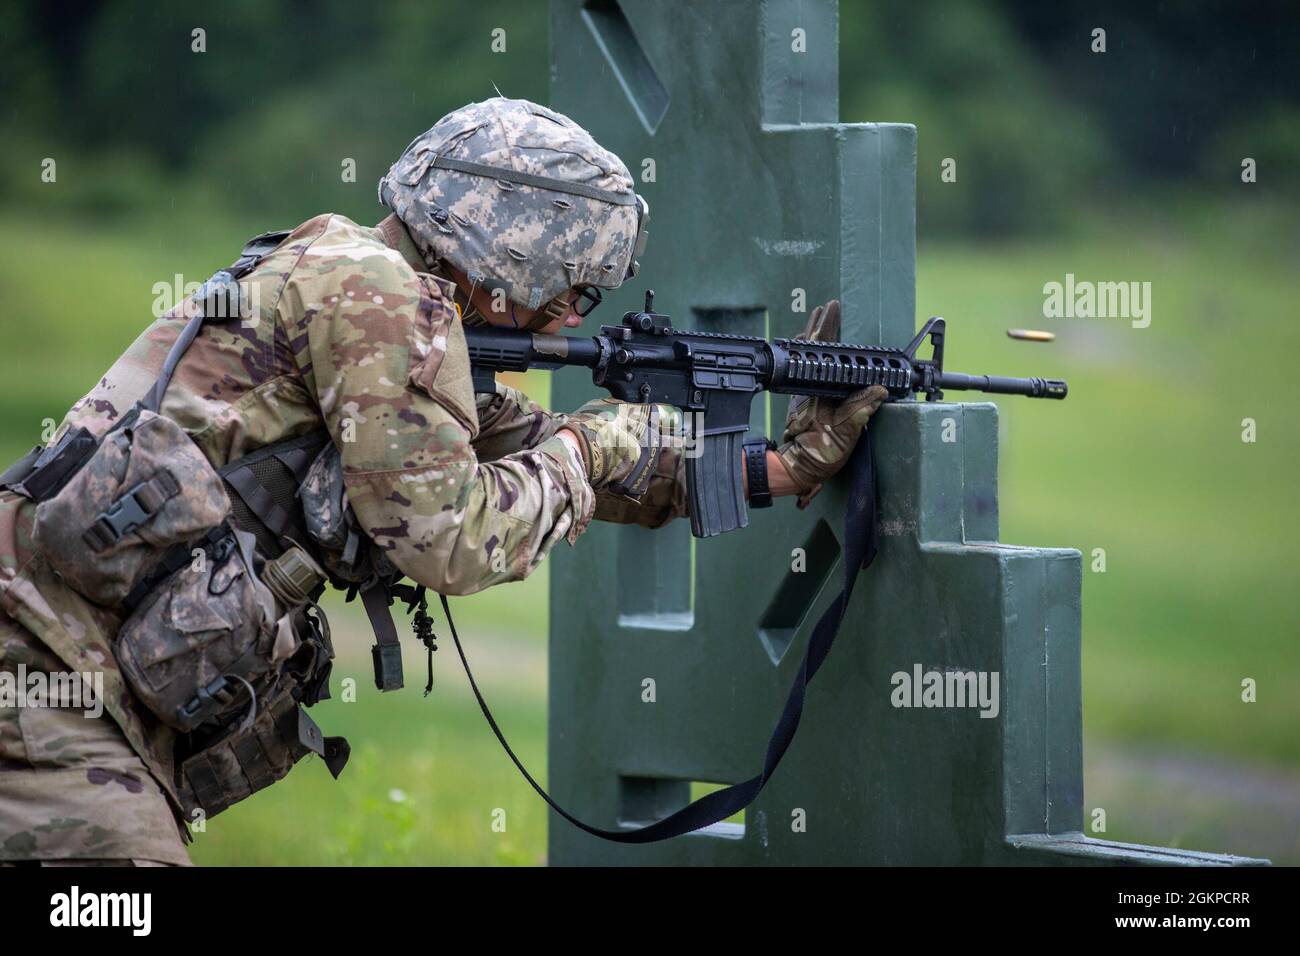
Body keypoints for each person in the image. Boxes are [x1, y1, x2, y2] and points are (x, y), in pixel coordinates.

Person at [0, 97, 885, 865]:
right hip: (45, 675)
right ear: (514, 249)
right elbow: (453, 540)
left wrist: (782, 464)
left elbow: (525, 447)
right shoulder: (381, 297)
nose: (572, 315)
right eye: (575, 284)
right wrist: (597, 444)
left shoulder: (352, 274)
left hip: (71, 671)